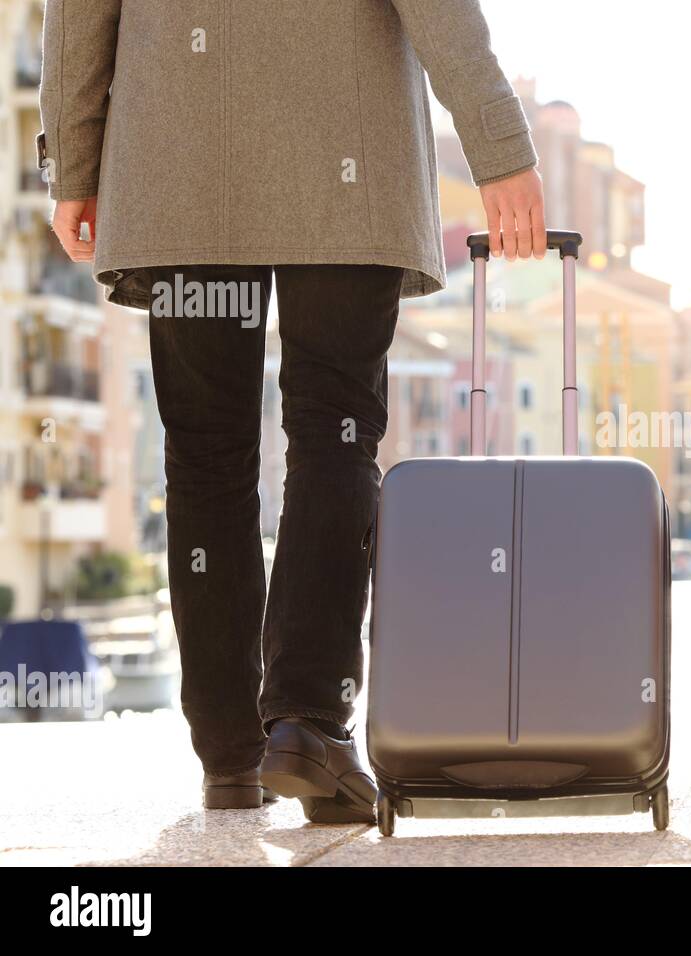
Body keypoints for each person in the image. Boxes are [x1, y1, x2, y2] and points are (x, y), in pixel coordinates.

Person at [40, 0, 545, 822]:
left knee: (205, 455)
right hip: (347, 147)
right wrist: (499, 146)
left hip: (180, 150)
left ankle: (231, 758)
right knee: (335, 432)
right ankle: (306, 724)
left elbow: (79, 13)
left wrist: (73, 158)